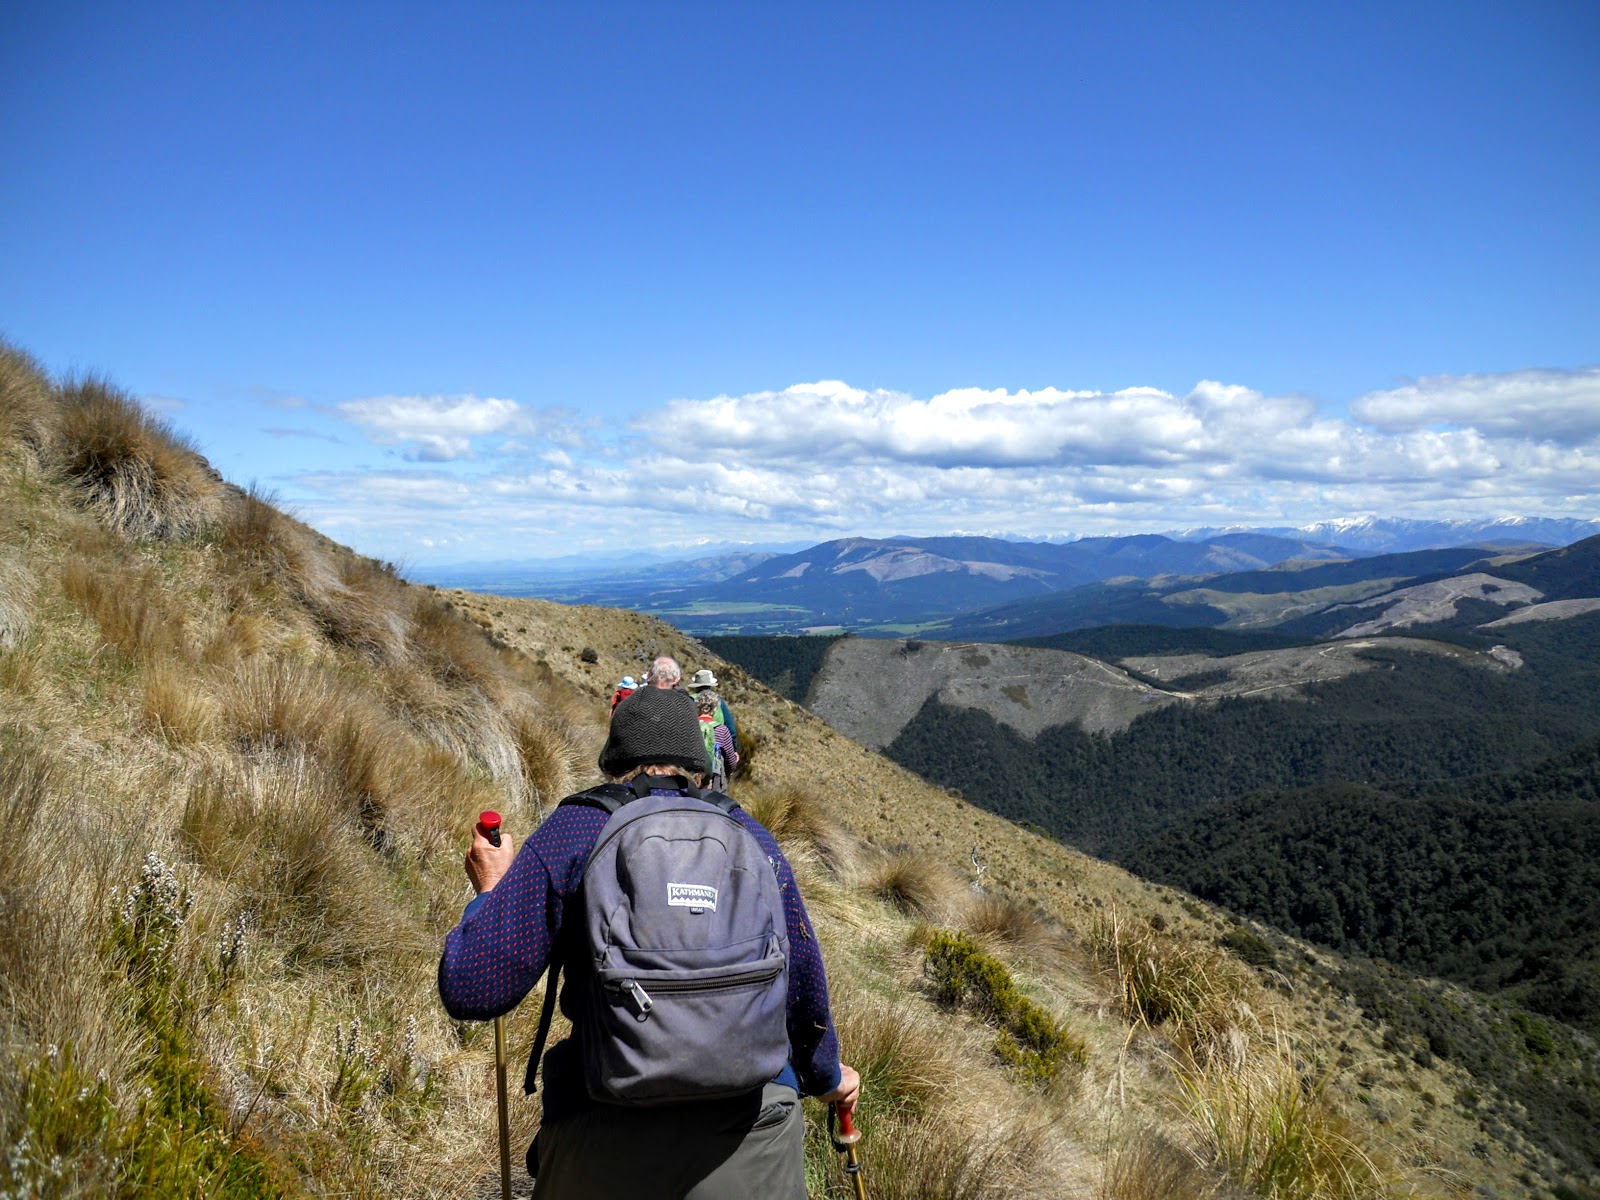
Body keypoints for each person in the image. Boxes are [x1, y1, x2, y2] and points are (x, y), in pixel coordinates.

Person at [438, 686, 858, 1199]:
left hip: (604, 1140)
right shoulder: (751, 838)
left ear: (615, 764)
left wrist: (490, 894)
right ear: (699, 766)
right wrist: (826, 1075)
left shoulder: (576, 830)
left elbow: (472, 987)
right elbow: (805, 994)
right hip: (753, 1139)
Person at [687, 668, 740, 769]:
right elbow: (731, 729)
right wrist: (733, 750)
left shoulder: (689, 700)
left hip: (692, 758)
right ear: (710, 685)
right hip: (716, 759)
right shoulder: (719, 702)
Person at [695, 690, 738, 793]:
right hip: (715, 780)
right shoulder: (722, 730)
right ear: (715, 708)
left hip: (693, 778)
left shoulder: (690, 726)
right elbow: (730, 762)